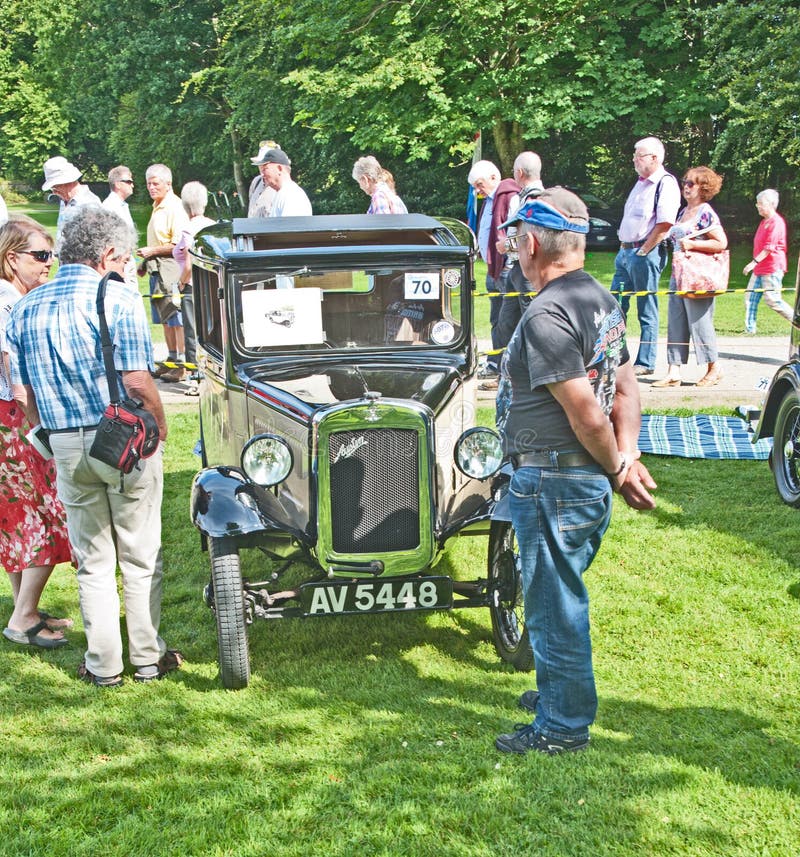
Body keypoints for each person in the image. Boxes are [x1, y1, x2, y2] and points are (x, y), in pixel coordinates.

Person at [494, 187, 656, 755]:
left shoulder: (546, 313)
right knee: (556, 594)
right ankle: (555, 693)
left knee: (554, 604)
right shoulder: (600, 298)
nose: (512, 249)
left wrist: (618, 466)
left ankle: (562, 726)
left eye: (515, 239)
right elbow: (627, 387)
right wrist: (627, 455)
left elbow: (588, 411)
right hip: (576, 481)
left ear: (533, 242)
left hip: (557, 480)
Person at [6, 205, 182, 687]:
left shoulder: (25, 307)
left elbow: (23, 394)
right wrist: (160, 428)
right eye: (123, 258)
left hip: (65, 443)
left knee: (93, 559)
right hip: (122, 440)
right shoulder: (117, 297)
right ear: (106, 253)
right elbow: (138, 380)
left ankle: (104, 665)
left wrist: (48, 434)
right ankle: (147, 657)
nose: (125, 266)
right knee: (141, 554)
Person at [0, 217, 72, 649]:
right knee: (48, 513)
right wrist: (39, 428)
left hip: (6, 420)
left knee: (15, 517)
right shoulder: (9, 303)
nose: (49, 265)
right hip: (15, 420)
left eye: (52, 256)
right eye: (40, 256)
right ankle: (23, 618)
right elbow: (15, 374)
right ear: (12, 258)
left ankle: (20, 606)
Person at [610, 137, 681, 376]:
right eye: (634, 155)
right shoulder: (640, 183)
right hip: (625, 252)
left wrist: (644, 250)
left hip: (644, 253)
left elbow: (665, 223)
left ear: (654, 158)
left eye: (638, 155)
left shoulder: (665, 183)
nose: (634, 159)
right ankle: (615, 357)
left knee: (646, 309)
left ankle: (645, 362)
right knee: (616, 306)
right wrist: (624, 248)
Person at [653, 167, 728, 388]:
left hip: (698, 276)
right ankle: (673, 370)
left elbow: (721, 242)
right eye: (685, 182)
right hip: (679, 273)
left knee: (700, 322)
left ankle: (714, 367)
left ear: (703, 187)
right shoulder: (683, 211)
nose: (686, 187)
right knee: (676, 320)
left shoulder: (706, 212)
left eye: (691, 184)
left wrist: (693, 244)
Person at [467, 160, 520, 381]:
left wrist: (508, 262)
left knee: (508, 320)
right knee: (496, 319)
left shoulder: (509, 196)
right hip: (493, 268)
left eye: (479, 185)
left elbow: (515, 232)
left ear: (493, 177)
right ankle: (495, 363)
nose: (477, 191)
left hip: (507, 268)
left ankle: (507, 367)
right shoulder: (490, 200)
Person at [138, 164, 190, 383]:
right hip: (157, 267)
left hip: (170, 266)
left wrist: (153, 251)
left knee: (175, 317)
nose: (151, 187)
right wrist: (145, 260)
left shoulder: (174, 207)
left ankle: (182, 365)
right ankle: (170, 359)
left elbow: (180, 244)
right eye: (149, 183)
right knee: (165, 318)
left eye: (155, 183)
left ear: (168, 184)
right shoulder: (157, 205)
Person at [494, 151, 545, 348]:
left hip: (529, 269)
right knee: (506, 323)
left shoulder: (535, 199)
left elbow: (532, 238)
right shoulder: (525, 198)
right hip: (518, 267)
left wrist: (505, 244)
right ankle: (507, 371)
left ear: (520, 172)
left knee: (532, 322)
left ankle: (536, 372)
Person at [173, 182, 216, 396]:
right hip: (214, 286)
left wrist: (180, 284)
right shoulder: (213, 226)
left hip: (192, 288)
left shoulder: (189, 229)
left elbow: (188, 265)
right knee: (213, 331)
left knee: (193, 334)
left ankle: (195, 378)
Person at [743, 189, 792, 333]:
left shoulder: (777, 222)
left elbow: (769, 248)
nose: (757, 206)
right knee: (750, 298)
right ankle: (749, 330)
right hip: (760, 268)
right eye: (757, 203)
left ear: (771, 204)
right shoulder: (764, 222)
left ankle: (796, 320)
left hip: (772, 267)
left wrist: (753, 263)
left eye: (761, 203)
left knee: (773, 299)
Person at [41, 156, 102, 241]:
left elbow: (93, 241)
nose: (54, 192)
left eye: (55, 187)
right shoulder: (65, 201)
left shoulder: (90, 204)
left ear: (65, 182)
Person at [102, 165, 138, 289]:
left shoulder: (122, 205)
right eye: (129, 181)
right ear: (118, 184)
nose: (132, 185)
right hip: (118, 262)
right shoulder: (110, 207)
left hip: (126, 260)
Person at [250, 145, 312, 217]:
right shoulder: (283, 193)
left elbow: (291, 227)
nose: (262, 174)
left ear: (279, 168)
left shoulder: (291, 195)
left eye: (265, 169)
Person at [247, 140, 280, 217]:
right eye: (260, 164)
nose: (262, 168)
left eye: (265, 164)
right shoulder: (256, 182)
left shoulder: (282, 189)